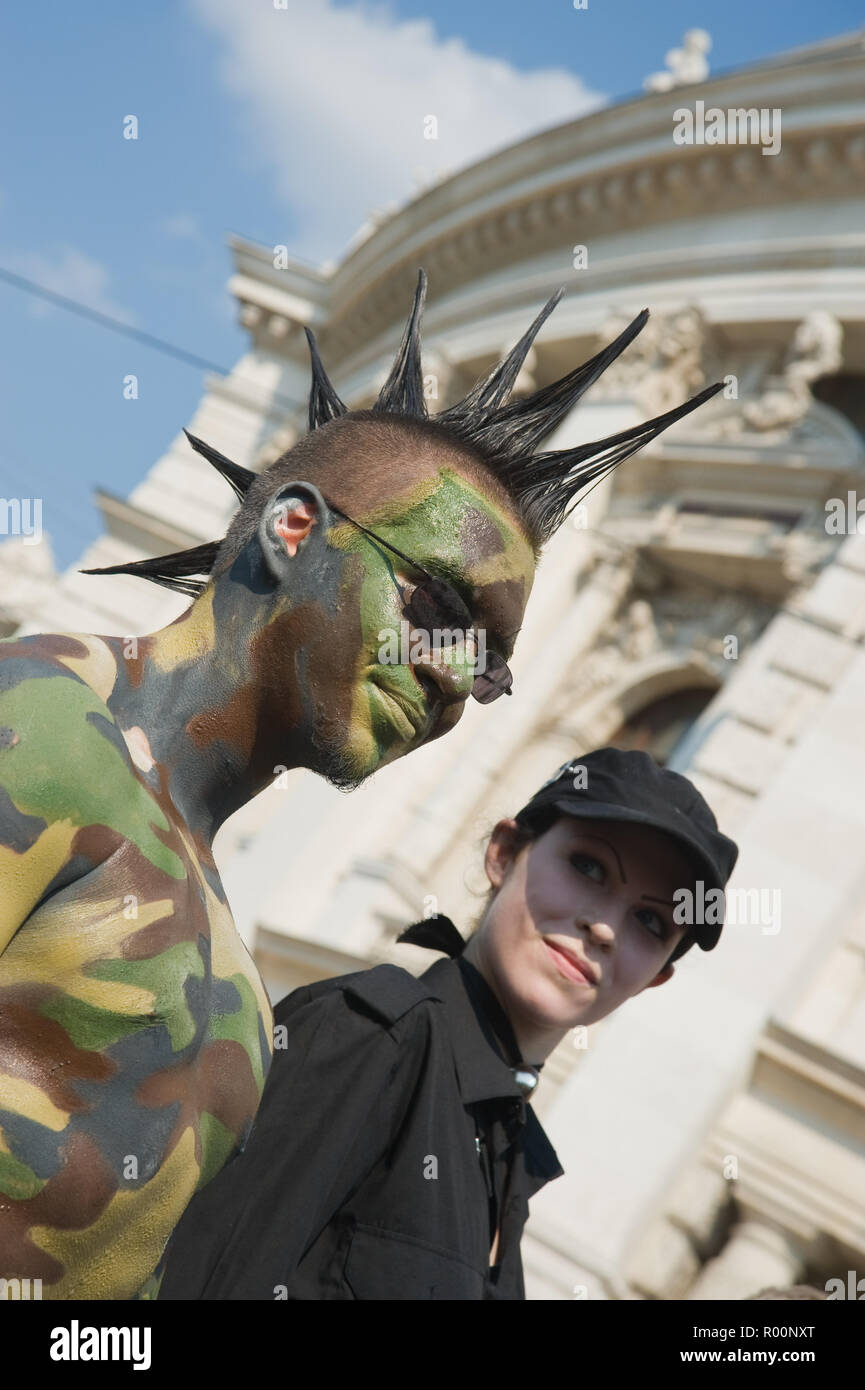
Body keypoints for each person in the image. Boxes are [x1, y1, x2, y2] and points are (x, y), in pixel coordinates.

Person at [0, 270, 723, 1299]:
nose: (447, 671)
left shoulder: (239, 978)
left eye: (485, 660)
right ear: (293, 529)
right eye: (435, 604)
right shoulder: (40, 730)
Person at [158, 746, 739, 1301]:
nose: (606, 928)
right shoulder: (373, 1038)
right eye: (589, 866)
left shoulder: (510, 1161)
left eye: (650, 921)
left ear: (656, 977)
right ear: (503, 853)